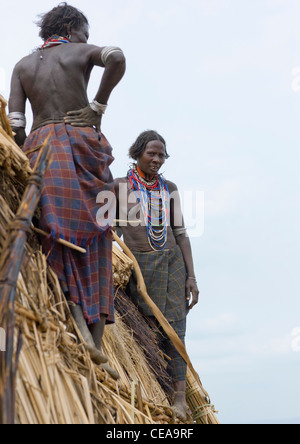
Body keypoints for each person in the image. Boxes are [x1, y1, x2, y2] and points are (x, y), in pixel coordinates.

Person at [8, 3, 126, 379]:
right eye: (85, 34)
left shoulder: (23, 67)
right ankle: (94, 337)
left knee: (57, 235)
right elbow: (117, 57)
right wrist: (97, 106)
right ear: (72, 29)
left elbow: (15, 122)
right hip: (83, 142)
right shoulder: (80, 52)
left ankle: (77, 319)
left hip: (44, 149)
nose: (86, 41)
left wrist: (29, 151)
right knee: (99, 236)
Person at [114, 130, 199, 419]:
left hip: (173, 265)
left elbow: (182, 235)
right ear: (137, 153)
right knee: (142, 327)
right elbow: (112, 233)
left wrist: (192, 277)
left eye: (162, 155)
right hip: (138, 267)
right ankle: (151, 387)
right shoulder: (119, 187)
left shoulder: (169, 188)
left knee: (176, 330)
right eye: (152, 153)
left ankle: (179, 398)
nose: (157, 159)